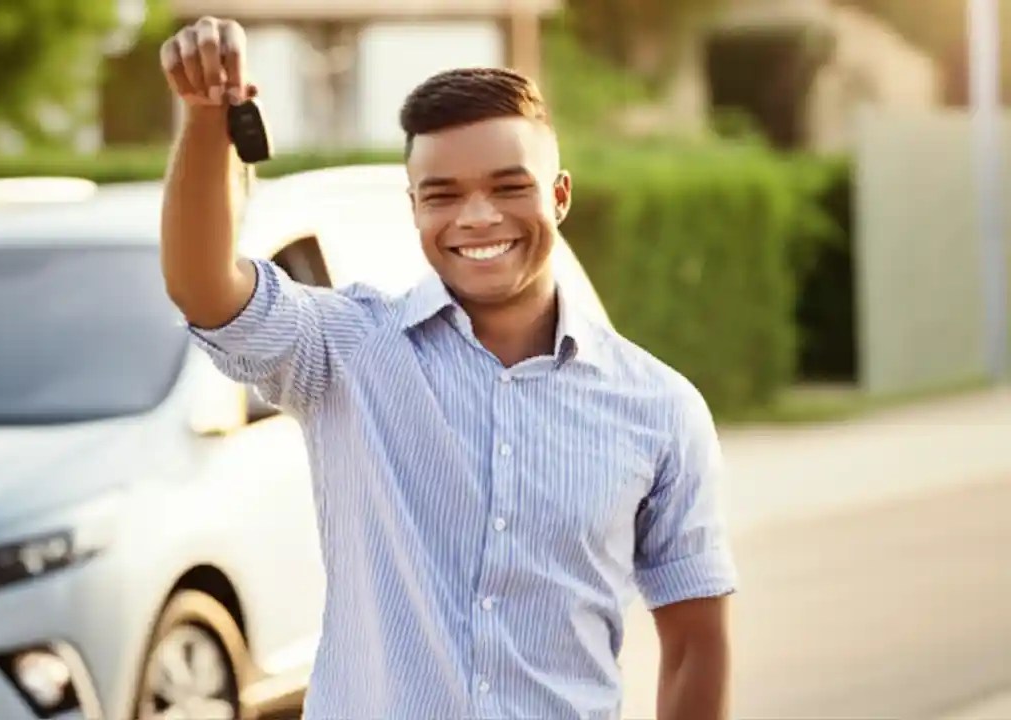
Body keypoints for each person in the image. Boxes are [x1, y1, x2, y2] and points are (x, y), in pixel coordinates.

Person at [159, 16, 738, 720]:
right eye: (443, 195)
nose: (478, 217)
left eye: (508, 186)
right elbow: (203, 284)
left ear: (559, 195)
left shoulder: (660, 407)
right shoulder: (347, 352)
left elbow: (695, 646)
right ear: (414, 209)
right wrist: (205, 117)